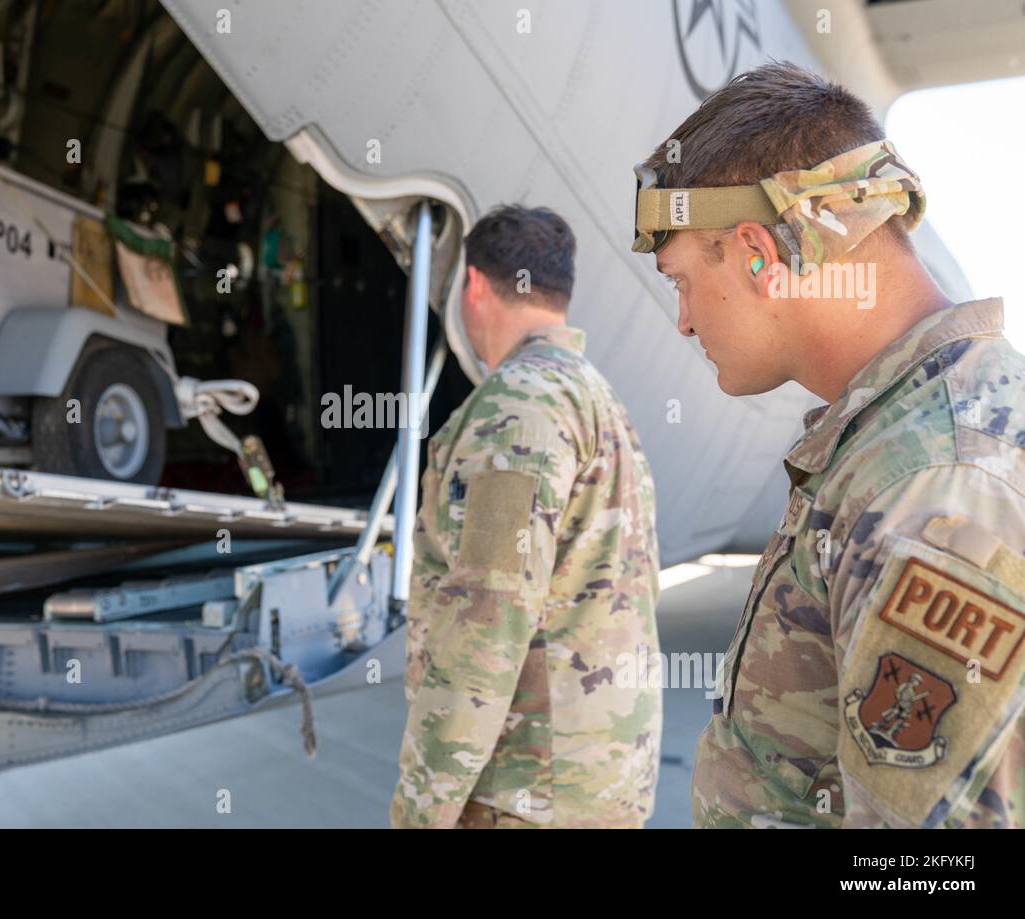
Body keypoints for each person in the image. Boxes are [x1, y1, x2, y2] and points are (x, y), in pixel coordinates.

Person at [632, 60, 1025, 828]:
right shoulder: (900, 437)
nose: (682, 320)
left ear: (759, 254)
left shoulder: (931, 484)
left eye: (680, 280)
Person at [390, 204, 661, 828]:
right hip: (597, 781)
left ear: (475, 286)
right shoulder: (597, 399)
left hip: (523, 795)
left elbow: (487, 619)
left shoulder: (517, 408)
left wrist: (420, 811)